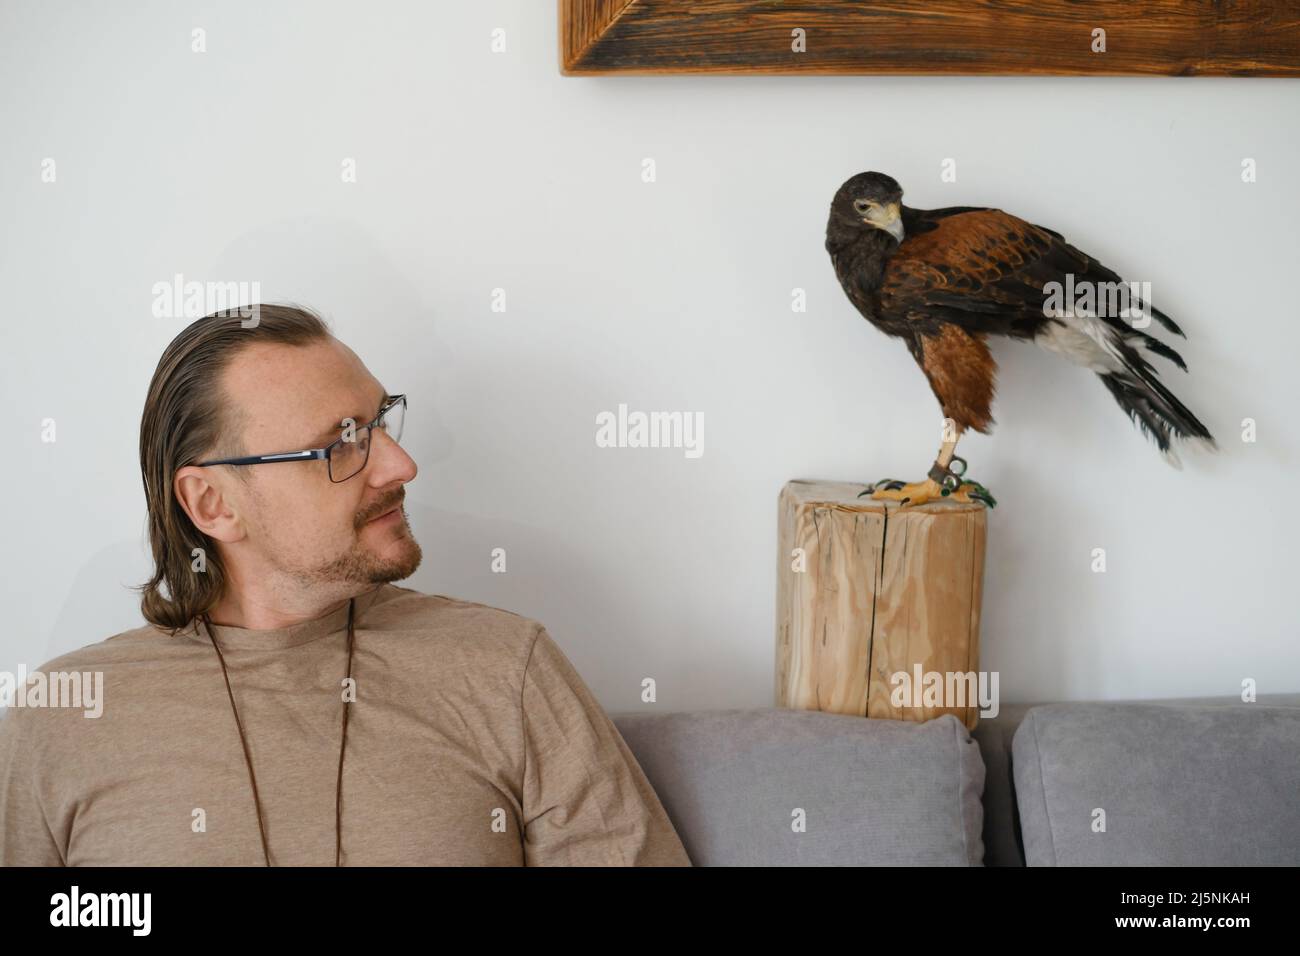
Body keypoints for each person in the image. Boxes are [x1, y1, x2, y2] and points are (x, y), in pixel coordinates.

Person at [0, 304, 691, 866]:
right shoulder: (60, 721)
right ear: (213, 504)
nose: (401, 464)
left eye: (380, 421)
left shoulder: (508, 669)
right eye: (341, 443)